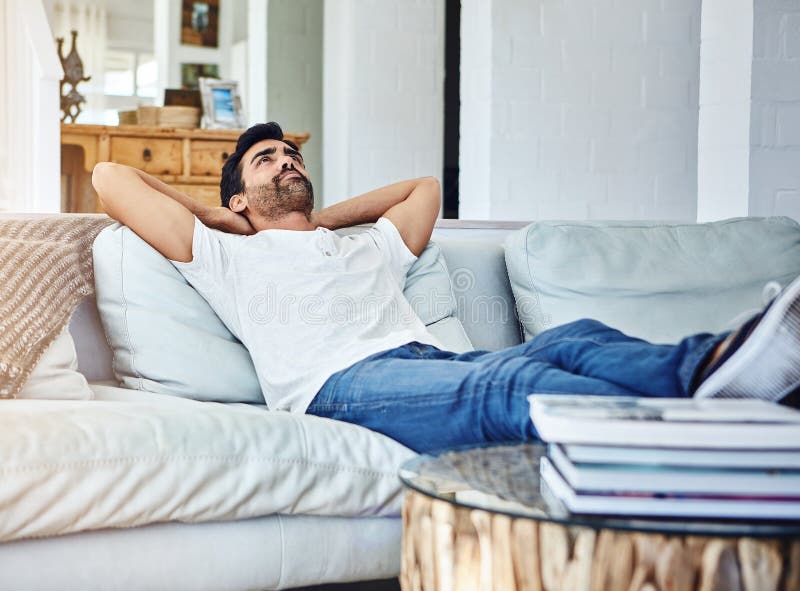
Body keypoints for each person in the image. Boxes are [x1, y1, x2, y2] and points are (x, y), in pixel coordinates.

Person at [92, 122, 800, 454]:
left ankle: (718, 366)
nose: (286, 163)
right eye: (267, 160)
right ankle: (727, 439)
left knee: (572, 339)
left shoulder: (363, 244)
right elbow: (108, 178)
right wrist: (215, 214)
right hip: (339, 385)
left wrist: (319, 217)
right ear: (239, 198)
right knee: (511, 389)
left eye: (292, 156)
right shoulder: (222, 253)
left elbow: (423, 188)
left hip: (426, 362)